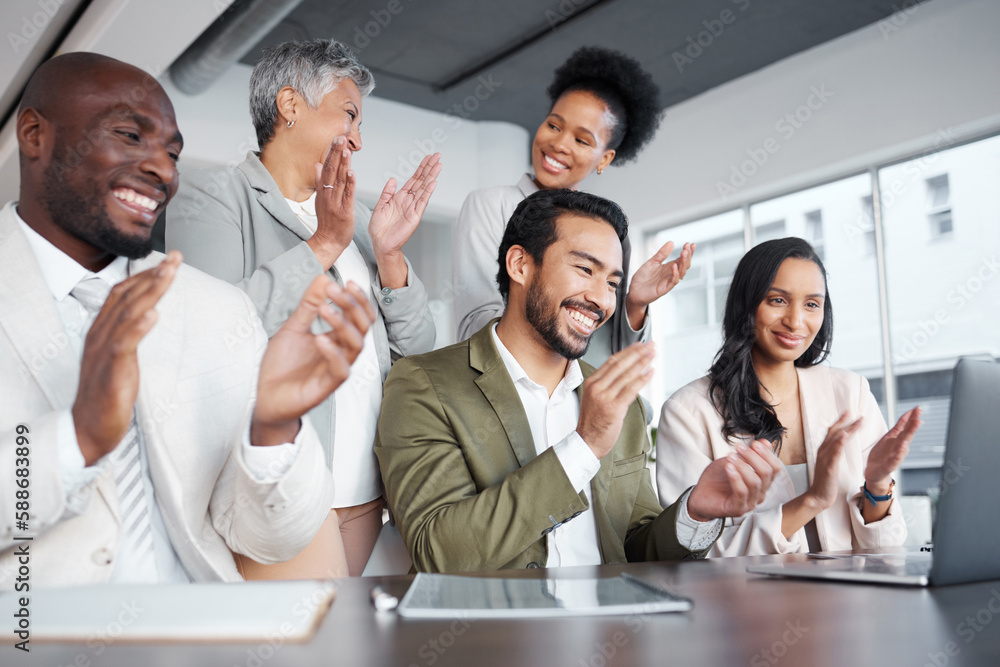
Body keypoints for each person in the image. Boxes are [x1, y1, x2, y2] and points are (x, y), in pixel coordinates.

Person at [0, 52, 377, 586]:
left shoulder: (212, 306)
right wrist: (77, 438)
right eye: (130, 135)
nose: (162, 169)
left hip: (205, 620)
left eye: (172, 152)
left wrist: (274, 432)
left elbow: (268, 539)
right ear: (34, 135)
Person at [376, 189, 783, 573]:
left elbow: (634, 550)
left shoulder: (622, 405)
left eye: (612, 283)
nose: (602, 300)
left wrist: (696, 511)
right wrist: (584, 446)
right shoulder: (424, 384)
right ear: (520, 265)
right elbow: (439, 553)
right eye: (585, 270)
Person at [166, 39, 439, 577]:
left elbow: (419, 353)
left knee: (347, 629)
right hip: (284, 489)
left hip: (367, 493)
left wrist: (389, 257)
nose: (357, 139)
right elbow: (212, 335)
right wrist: (324, 245)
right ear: (290, 106)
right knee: (307, 630)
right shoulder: (215, 196)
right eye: (349, 114)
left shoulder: (360, 221)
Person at [656, 238, 920, 556]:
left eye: (812, 304)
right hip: (747, 590)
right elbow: (695, 552)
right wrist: (813, 500)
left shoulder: (851, 392)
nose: (795, 322)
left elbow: (884, 549)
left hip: (849, 587)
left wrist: (877, 483)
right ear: (746, 304)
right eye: (778, 300)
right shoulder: (687, 411)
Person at [452, 46, 694, 368]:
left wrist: (634, 304)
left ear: (604, 159)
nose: (559, 144)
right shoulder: (491, 204)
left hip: (577, 395)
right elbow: (475, 328)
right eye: (554, 125)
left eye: (582, 140)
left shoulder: (610, 233)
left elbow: (611, 359)